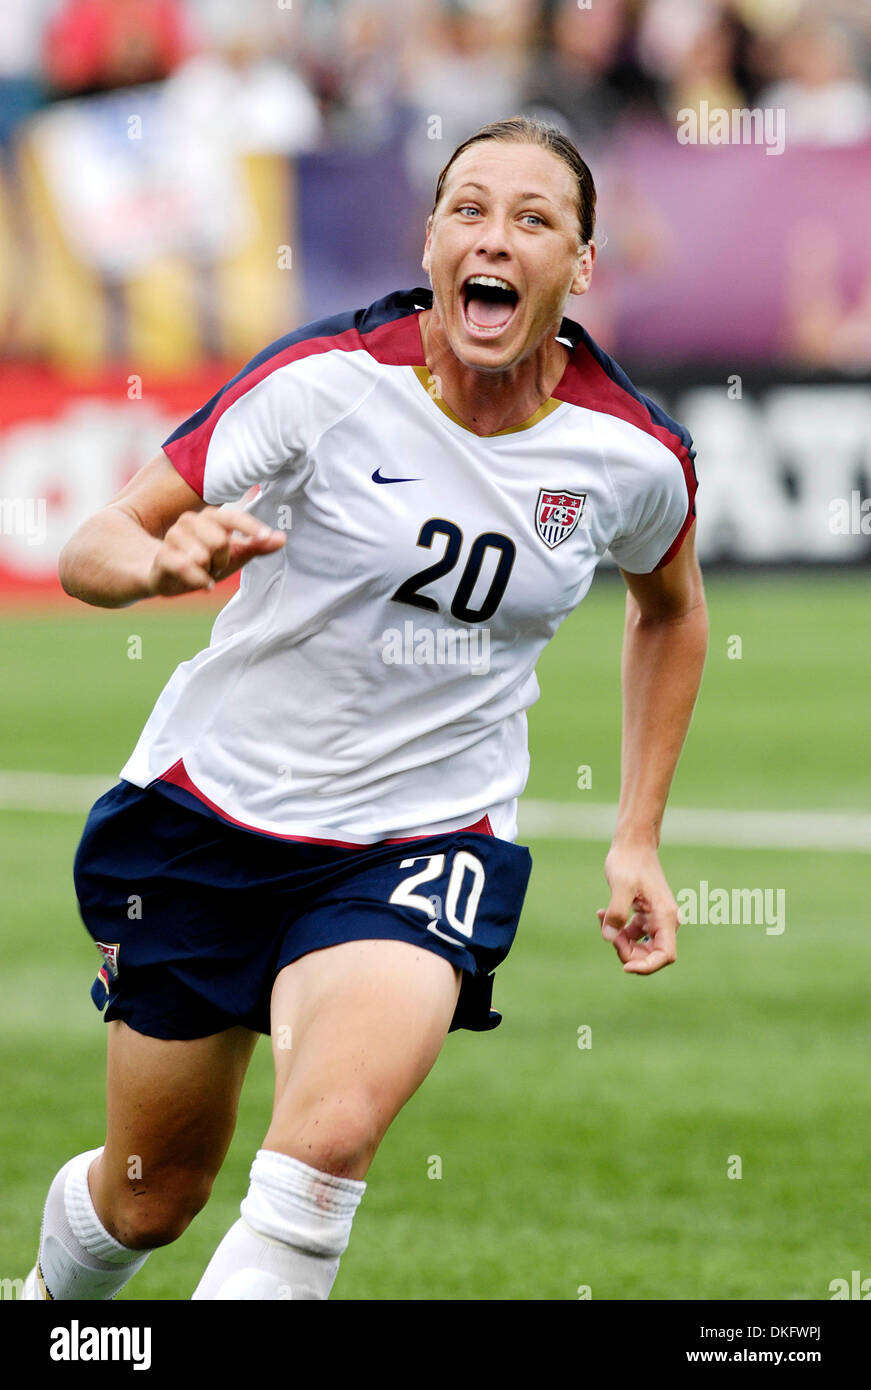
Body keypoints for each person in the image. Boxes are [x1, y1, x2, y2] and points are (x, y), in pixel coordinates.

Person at [23, 115, 707, 1301]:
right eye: (468, 208)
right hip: (211, 813)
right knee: (152, 1192)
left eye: (534, 219)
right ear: (433, 237)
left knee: (323, 1148)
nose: (495, 236)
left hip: (423, 839)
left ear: (580, 266)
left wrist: (636, 830)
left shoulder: (631, 455)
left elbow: (670, 610)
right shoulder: (326, 382)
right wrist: (154, 567)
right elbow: (97, 539)